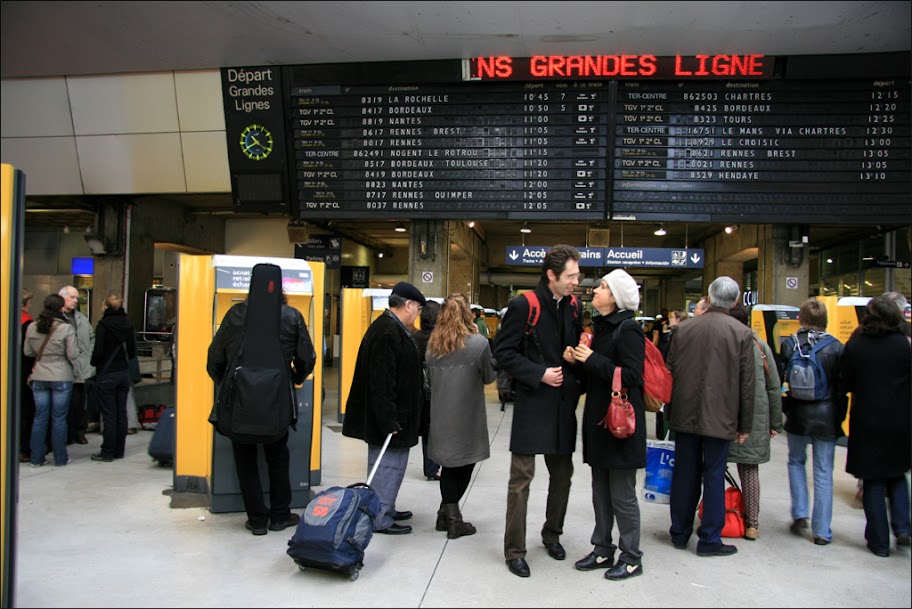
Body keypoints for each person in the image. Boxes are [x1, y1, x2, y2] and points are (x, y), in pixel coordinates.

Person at [492, 244, 583, 578]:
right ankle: (514, 550)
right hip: (533, 403)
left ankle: (552, 534)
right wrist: (538, 372)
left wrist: (573, 355)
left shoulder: (573, 306)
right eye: (571, 276)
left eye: (577, 275)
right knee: (521, 480)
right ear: (551, 275)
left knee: (563, 477)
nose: (576, 281)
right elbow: (503, 352)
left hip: (562, 406)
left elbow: (571, 344)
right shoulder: (523, 305)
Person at [207, 264, 316, 535]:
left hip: (239, 401)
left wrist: (228, 382)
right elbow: (307, 357)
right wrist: (294, 377)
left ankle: (256, 520)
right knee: (278, 456)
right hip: (276, 400)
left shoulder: (235, 314)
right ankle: (279, 515)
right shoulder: (292, 316)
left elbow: (214, 359)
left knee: (244, 458)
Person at [565, 270, 646, 580]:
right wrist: (578, 362)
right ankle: (602, 548)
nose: (594, 291)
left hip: (621, 427)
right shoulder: (599, 329)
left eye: (601, 287)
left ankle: (631, 556)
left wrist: (592, 360)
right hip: (601, 425)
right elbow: (597, 377)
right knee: (600, 491)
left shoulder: (628, 330)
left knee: (622, 494)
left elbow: (633, 377)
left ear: (614, 296)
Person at [666, 276, 754, 557]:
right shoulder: (741, 333)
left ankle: (679, 532)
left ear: (709, 296)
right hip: (722, 416)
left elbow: (670, 373)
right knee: (714, 474)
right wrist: (745, 423)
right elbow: (747, 385)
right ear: (735, 301)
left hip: (684, 412)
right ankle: (709, 539)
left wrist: (669, 411)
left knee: (684, 472)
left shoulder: (684, 330)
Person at [342, 281, 426, 535]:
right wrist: (390, 420)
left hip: (395, 416)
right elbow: (381, 382)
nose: (419, 314)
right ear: (409, 305)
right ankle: (379, 517)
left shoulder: (389, 327)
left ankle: (385, 506)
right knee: (388, 466)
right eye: (418, 308)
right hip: (392, 419)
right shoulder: (389, 333)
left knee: (389, 466)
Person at [839, 296, 911, 557]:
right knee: (897, 473)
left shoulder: (857, 346)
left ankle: (879, 543)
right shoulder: (904, 345)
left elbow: (845, 382)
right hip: (900, 419)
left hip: (867, 420)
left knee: (872, 481)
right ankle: (903, 527)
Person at [426, 293, 496, 538]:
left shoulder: (433, 345)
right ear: (468, 315)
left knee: (448, 466)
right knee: (464, 465)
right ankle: (454, 520)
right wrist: (478, 335)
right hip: (467, 417)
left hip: (441, 414)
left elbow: (429, 381)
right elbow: (490, 377)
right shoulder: (478, 344)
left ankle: (445, 514)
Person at [778, 298, 846, 546]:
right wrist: (838, 416)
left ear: (801, 318)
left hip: (798, 414)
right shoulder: (837, 347)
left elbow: (781, 384)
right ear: (825, 319)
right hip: (826, 416)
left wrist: (787, 410)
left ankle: (800, 514)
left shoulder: (789, 346)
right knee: (823, 471)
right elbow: (841, 387)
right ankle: (822, 531)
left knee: (796, 461)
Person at [726, 302, 783, 541]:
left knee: (717, 469)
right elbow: (773, 387)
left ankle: (721, 515)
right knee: (749, 471)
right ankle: (752, 524)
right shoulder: (760, 345)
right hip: (756, 419)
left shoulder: (726, 344)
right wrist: (775, 422)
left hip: (725, 417)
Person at [24, 294, 79, 467]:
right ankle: (60, 458)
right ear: (61, 308)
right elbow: (73, 354)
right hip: (61, 376)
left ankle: (36, 458)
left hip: (39, 376)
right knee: (59, 419)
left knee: (39, 418)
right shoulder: (66, 328)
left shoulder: (32, 327)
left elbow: (28, 352)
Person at [89, 293, 138, 462]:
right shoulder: (128, 325)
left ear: (105, 306)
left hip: (108, 373)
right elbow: (132, 353)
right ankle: (119, 450)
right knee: (121, 413)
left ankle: (107, 451)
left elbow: (98, 353)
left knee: (109, 414)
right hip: (123, 373)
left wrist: (95, 363)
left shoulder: (103, 326)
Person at [59, 285, 95, 445]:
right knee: (65, 404)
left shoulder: (81, 318)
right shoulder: (58, 319)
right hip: (64, 368)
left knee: (80, 403)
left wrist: (89, 358)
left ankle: (79, 431)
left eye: (76, 298)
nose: (75, 300)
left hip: (82, 368)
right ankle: (66, 433)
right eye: (72, 297)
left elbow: (91, 337)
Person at [412, 300, 442, 481]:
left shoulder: (414, 337)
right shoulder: (440, 340)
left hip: (418, 390)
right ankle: (434, 468)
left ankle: (431, 468)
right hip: (437, 391)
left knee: (426, 430)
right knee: (435, 431)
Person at [19, 289, 37, 463]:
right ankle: (24, 448)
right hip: (24, 370)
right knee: (27, 411)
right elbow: (29, 352)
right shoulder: (28, 324)